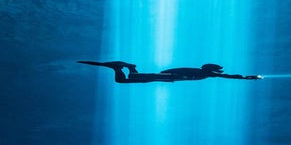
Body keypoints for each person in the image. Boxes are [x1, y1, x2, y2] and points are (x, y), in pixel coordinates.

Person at [78, 61, 261, 83]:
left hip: (168, 77)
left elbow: (225, 75)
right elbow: (227, 76)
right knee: (130, 79)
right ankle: (124, 67)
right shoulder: (206, 73)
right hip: (168, 76)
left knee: (130, 80)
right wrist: (247, 77)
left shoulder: (201, 71)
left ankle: (123, 68)